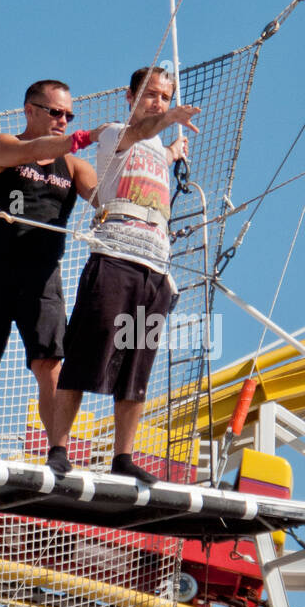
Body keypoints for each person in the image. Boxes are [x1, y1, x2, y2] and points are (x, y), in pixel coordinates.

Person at [50, 67, 200, 483]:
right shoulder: (117, 133)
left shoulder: (158, 150)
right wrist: (167, 122)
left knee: (138, 365)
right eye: (150, 95)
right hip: (114, 257)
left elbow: (158, 149)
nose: (158, 103)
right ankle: (59, 448)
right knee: (86, 351)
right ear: (130, 96)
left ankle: (123, 456)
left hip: (154, 269)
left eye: (165, 98)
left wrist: (173, 149)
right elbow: (140, 133)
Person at [0, 80, 98, 450]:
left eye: (69, 115)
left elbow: (106, 197)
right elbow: (32, 150)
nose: (63, 120)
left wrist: (158, 154)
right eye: (56, 112)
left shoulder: (75, 166)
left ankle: (58, 452)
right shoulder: (2, 146)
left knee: (50, 367)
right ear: (30, 110)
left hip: (43, 276)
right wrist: (83, 137)